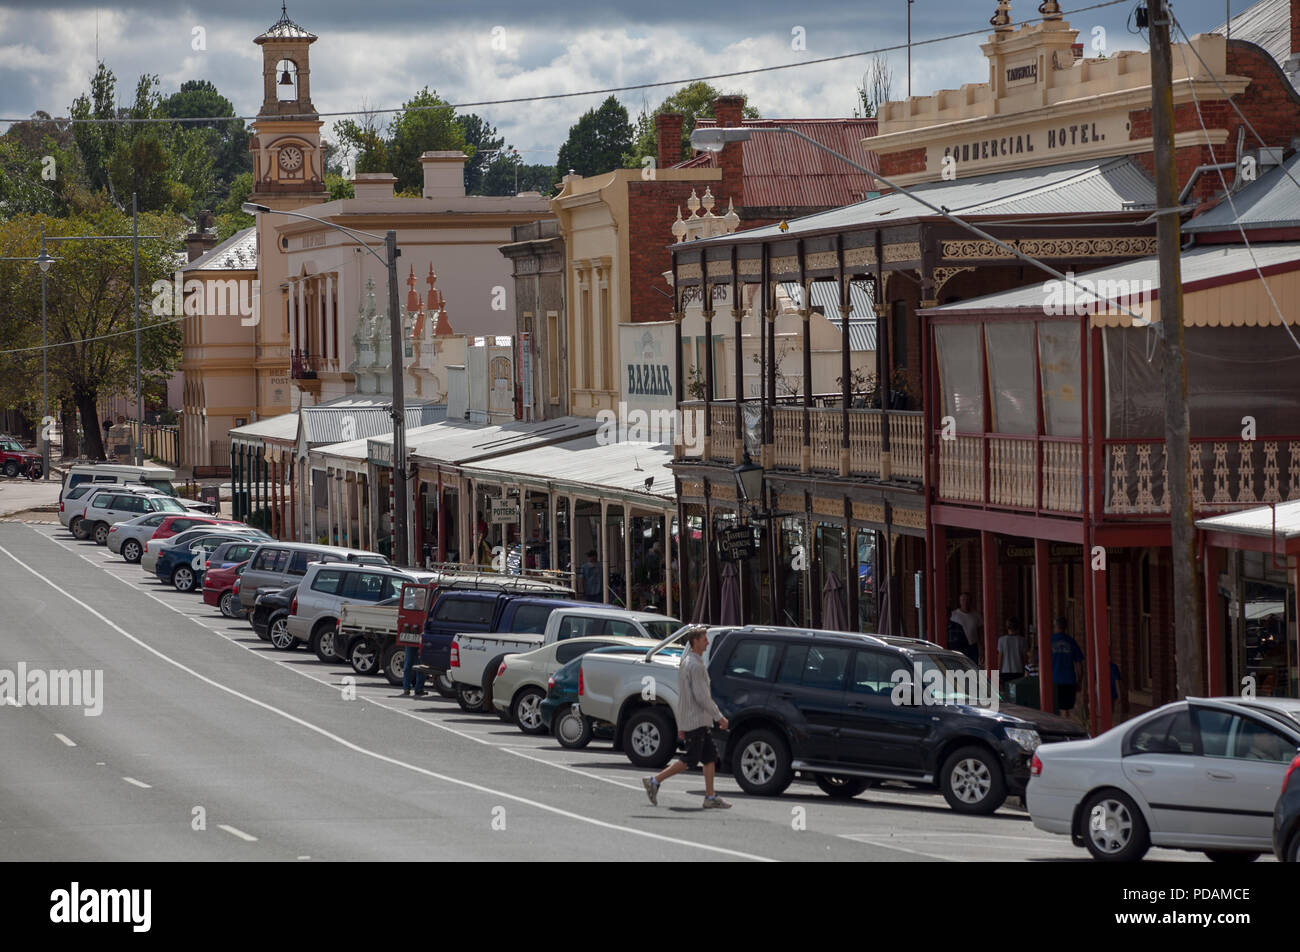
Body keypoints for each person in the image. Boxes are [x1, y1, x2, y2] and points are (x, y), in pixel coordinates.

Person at [642, 626, 731, 809]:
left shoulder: (688, 662)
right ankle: (654, 780)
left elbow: (684, 696)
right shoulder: (695, 665)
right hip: (696, 719)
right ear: (695, 641)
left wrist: (682, 724)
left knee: (709, 757)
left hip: (693, 719)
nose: (707, 642)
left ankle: (710, 797)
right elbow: (701, 697)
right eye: (704, 639)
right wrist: (719, 717)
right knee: (691, 758)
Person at [1050, 615, 1084, 717]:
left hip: (1054, 680)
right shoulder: (1071, 641)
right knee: (1066, 709)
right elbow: (1079, 664)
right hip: (1069, 680)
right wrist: (1079, 681)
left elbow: (1040, 662)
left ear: (1055, 626)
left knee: (1054, 709)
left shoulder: (1049, 641)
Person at [950, 592, 983, 664]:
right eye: (963, 600)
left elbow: (980, 633)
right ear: (960, 601)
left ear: (971, 601)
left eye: (967, 600)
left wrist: (981, 648)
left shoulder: (976, 615)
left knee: (973, 666)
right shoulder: (954, 615)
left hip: (973, 646)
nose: (965, 602)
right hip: (959, 647)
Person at [996, 617, 1027, 682]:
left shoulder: (1001, 640)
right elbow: (1024, 658)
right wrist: (1026, 670)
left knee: (1006, 690)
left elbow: (1000, 657)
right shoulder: (1022, 640)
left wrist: (998, 672)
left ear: (1007, 627)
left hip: (1005, 670)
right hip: (1018, 670)